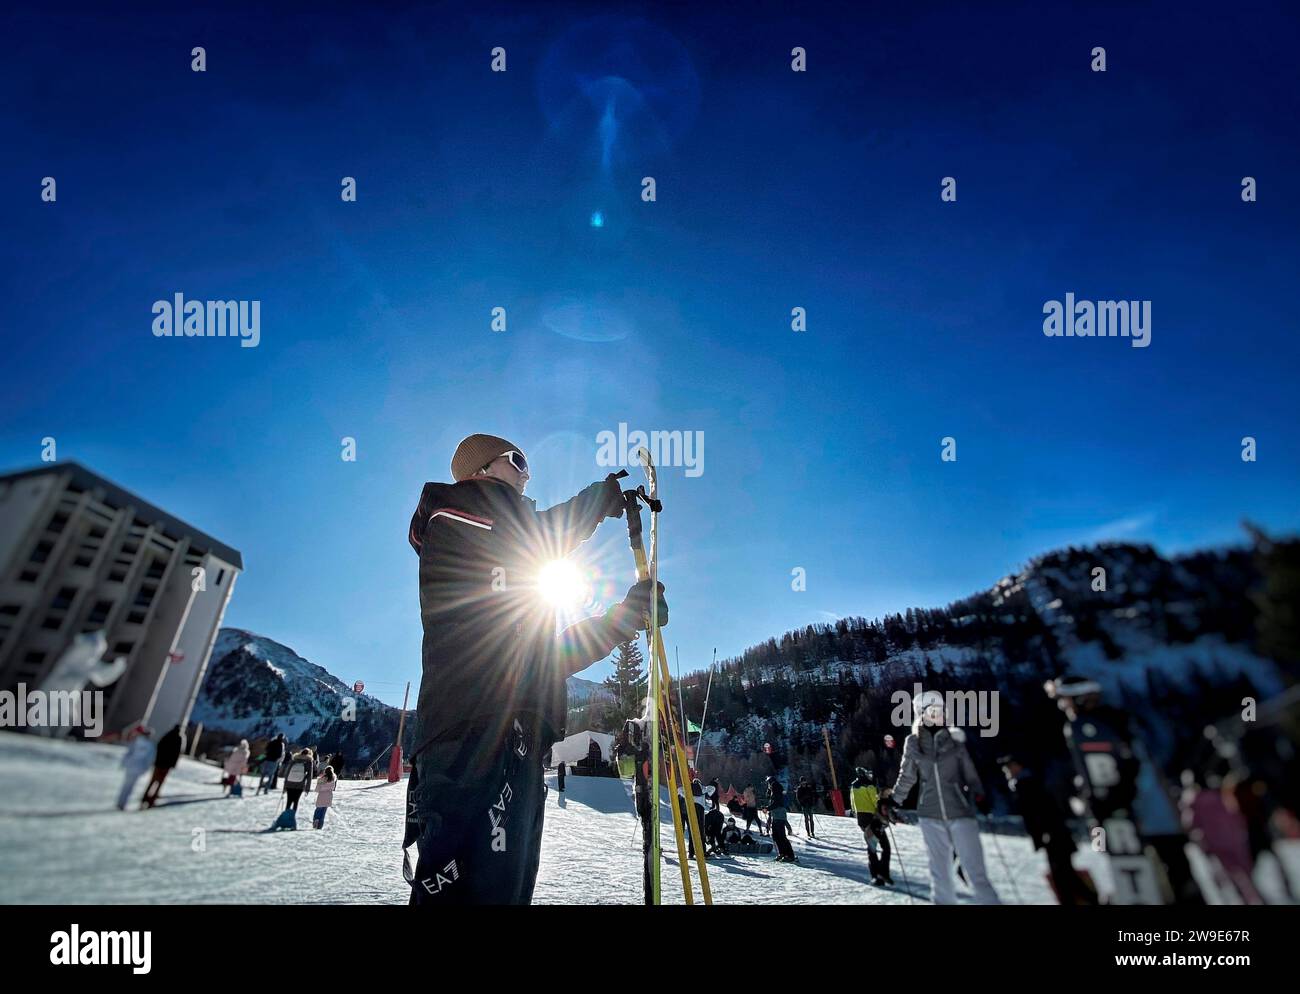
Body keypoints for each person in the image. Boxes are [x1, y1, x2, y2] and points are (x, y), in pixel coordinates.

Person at [404, 433, 667, 905]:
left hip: (513, 742)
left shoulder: (499, 545)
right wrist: (595, 502)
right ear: (480, 470)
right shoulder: (458, 517)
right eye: (518, 461)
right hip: (474, 739)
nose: (527, 474)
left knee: (504, 892)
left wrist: (623, 619)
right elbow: (532, 538)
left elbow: (544, 659)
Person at [888, 691, 1000, 904]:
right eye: (932, 710)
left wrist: (979, 795)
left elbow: (969, 771)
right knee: (940, 875)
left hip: (960, 812)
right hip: (930, 814)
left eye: (940, 710)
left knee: (975, 872)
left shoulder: (955, 739)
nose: (937, 714)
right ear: (921, 713)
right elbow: (907, 776)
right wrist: (894, 799)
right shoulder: (913, 742)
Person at [999, 753, 1095, 905]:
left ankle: (1084, 899)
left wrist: (1041, 836)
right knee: (1064, 873)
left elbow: (1035, 815)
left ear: (1017, 766)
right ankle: (1083, 899)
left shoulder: (1025, 784)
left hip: (1053, 835)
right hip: (1055, 834)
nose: (1007, 772)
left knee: (1063, 874)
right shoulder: (1029, 782)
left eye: (1009, 768)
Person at [850, 767, 893, 885]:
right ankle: (881, 874)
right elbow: (876, 802)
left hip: (861, 818)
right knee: (885, 846)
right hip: (872, 818)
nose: (870, 776)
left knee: (872, 846)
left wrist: (855, 812)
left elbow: (852, 801)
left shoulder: (854, 785)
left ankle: (876, 875)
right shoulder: (869, 785)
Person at [142, 724, 185, 809]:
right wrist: (173, 764)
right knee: (159, 783)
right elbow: (177, 753)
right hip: (167, 765)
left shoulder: (167, 735)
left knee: (152, 781)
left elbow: (159, 746)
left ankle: (145, 798)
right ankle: (152, 800)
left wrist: (157, 759)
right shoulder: (179, 739)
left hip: (159, 763)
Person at [117, 724, 155, 810]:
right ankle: (123, 803)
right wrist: (145, 769)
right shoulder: (150, 746)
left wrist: (123, 763)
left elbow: (128, 753)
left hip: (130, 766)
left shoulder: (136, 742)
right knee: (130, 786)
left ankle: (120, 802)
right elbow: (149, 759)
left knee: (126, 785)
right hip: (138, 768)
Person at [765, 776, 797, 863]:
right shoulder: (774, 789)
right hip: (776, 815)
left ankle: (790, 855)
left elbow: (777, 802)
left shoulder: (776, 788)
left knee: (781, 836)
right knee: (776, 835)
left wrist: (768, 808)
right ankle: (782, 853)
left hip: (779, 815)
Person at [283, 748, 314, 812]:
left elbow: (287, 772)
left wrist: (284, 786)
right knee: (296, 801)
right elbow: (309, 776)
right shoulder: (309, 761)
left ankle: (285, 817)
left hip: (289, 783)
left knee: (289, 801)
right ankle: (292, 817)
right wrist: (307, 788)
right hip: (300, 784)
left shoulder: (294, 759)